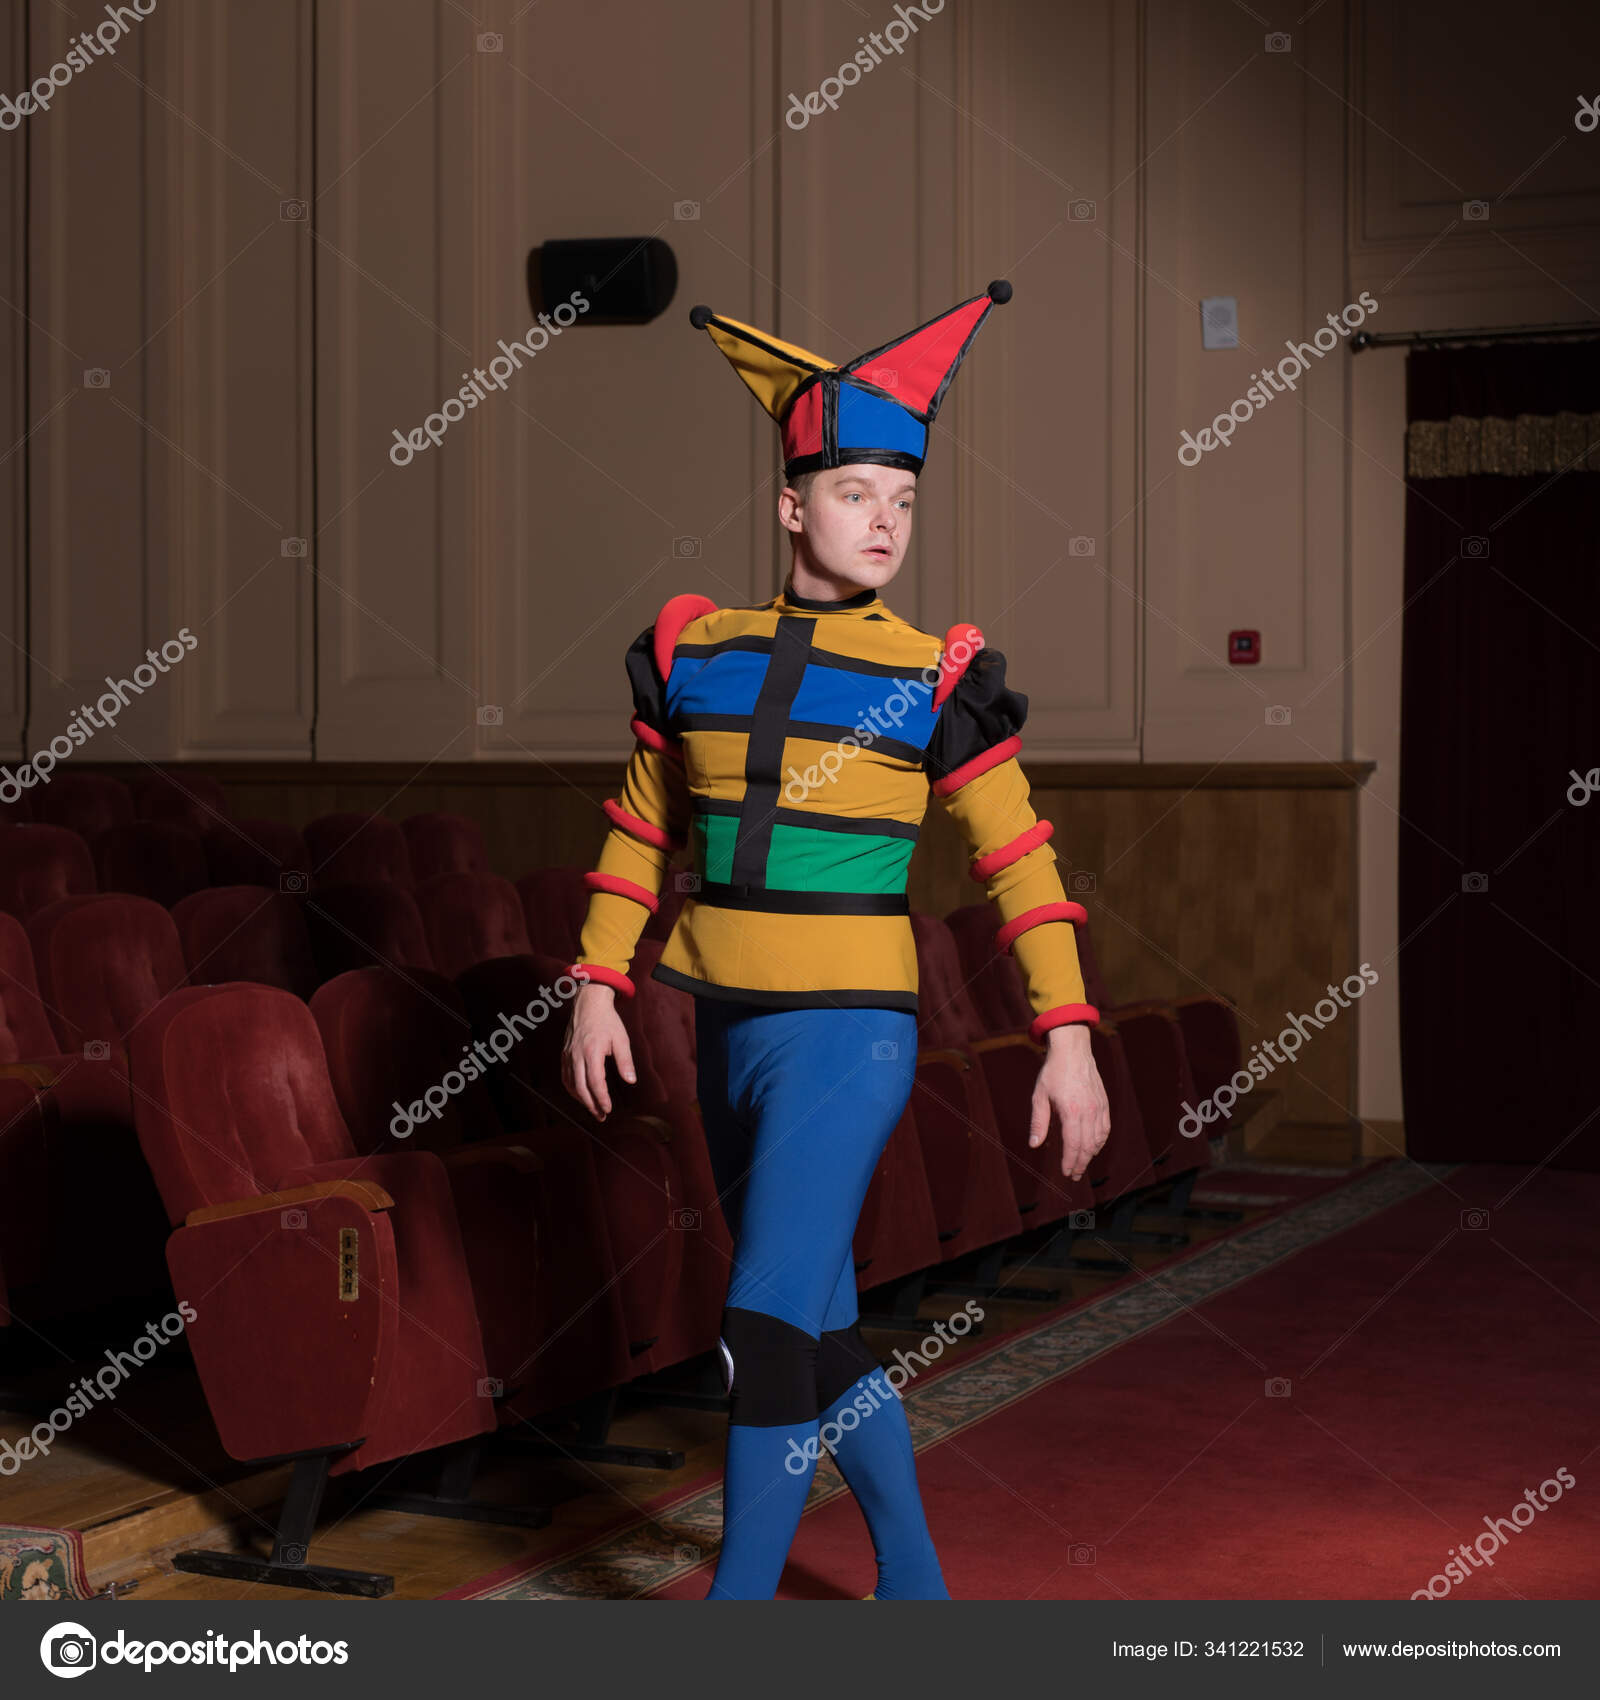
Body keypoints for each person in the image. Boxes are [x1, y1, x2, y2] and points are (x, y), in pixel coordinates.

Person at [561, 282, 1110, 1600]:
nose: (886, 523)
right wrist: (593, 985)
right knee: (815, 1320)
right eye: (858, 493)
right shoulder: (694, 647)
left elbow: (1021, 863)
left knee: (756, 1324)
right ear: (791, 505)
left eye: (904, 501)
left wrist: (1070, 1039)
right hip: (719, 1024)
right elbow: (642, 832)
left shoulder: (938, 676)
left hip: (851, 1035)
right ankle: (916, 1588)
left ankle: (737, 1615)